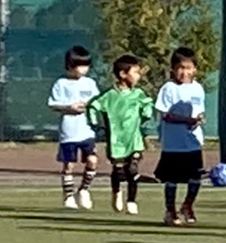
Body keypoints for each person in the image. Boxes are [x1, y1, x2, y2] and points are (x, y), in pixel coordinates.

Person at [86, 54, 153, 214]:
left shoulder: (138, 94)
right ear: (123, 74)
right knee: (119, 171)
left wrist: (145, 114)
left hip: (134, 139)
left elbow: (147, 106)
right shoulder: (109, 96)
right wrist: (95, 123)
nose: (138, 76)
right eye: (135, 72)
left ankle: (131, 200)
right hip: (116, 141)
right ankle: (116, 192)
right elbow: (93, 106)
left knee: (132, 169)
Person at [155, 47, 208, 224]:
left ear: (195, 69)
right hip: (173, 144)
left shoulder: (198, 89)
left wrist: (199, 119)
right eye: (180, 68)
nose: (184, 72)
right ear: (173, 69)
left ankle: (187, 205)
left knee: (195, 177)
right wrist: (186, 120)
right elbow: (165, 115)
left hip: (192, 144)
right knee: (171, 179)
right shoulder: (168, 88)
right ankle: (170, 211)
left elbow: (199, 112)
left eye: (188, 68)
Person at [47, 45, 101, 211]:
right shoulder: (61, 83)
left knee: (92, 160)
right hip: (69, 131)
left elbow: (97, 101)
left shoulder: (90, 83)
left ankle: (84, 190)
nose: (84, 69)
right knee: (69, 165)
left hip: (87, 130)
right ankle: (69, 196)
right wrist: (69, 107)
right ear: (70, 66)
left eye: (86, 65)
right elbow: (53, 104)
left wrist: (90, 106)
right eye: (80, 65)